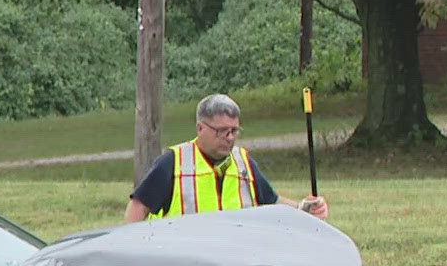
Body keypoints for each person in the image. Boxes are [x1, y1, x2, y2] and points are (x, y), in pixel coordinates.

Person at [123, 93, 329, 223]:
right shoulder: (173, 163)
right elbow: (138, 207)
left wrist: (303, 209)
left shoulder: (244, 163)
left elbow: (271, 201)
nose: (229, 138)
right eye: (221, 131)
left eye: (234, 130)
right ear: (200, 128)